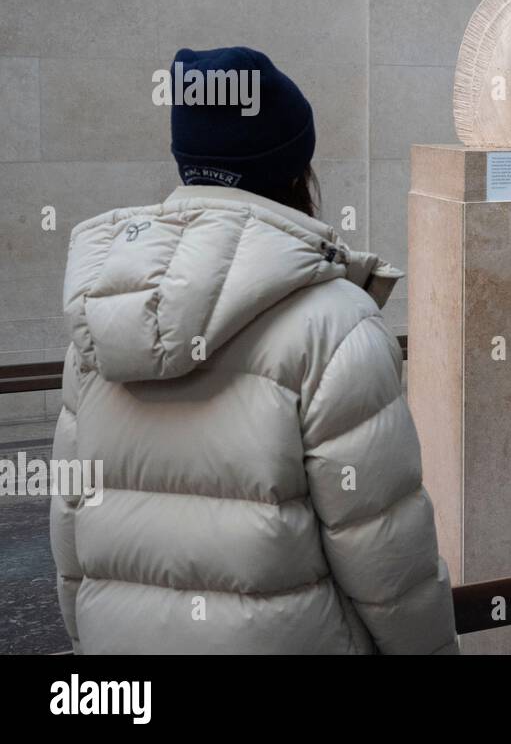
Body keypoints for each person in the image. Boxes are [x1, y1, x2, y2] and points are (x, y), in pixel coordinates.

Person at [50, 46, 459, 654]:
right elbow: (384, 554)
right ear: (296, 170)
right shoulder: (337, 324)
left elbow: (69, 533)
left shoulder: (103, 313)